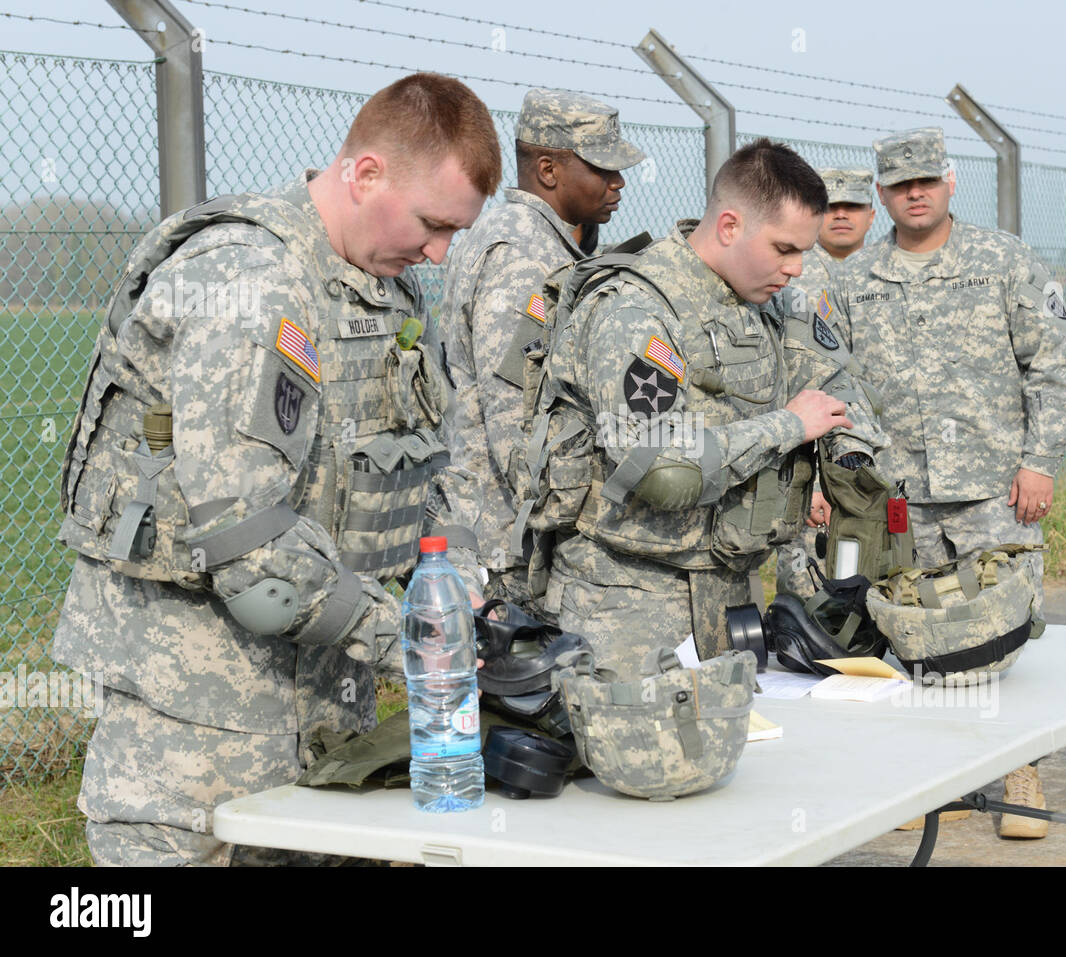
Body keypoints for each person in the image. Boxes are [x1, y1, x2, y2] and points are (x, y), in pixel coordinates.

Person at [50, 73, 501, 866]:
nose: (439, 252)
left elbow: (436, 472)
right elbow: (252, 552)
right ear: (365, 173)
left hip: (328, 729)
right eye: (433, 224)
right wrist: (419, 642)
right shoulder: (246, 278)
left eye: (454, 233)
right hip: (196, 753)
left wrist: (458, 589)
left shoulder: (388, 291)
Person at [533, 138, 887, 678]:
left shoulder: (768, 299)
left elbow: (836, 379)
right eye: (784, 249)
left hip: (731, 591)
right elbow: (660, 469)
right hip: (632, 603)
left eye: (802, 253)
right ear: (729, 226)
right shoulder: (637, 309)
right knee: (635, 755)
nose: (795, 269)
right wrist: (789, 426)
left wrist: (849, 455)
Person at [841, 127, 1066, 838]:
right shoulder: (856, 281)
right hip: (898, 496)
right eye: (899, 183)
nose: (914, 193)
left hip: (993, 488)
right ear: (882, 193)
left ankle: (1023, 774)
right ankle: (937, 776)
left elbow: (1056, 368)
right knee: (917, 637)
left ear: (951, 183)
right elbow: (837, 383)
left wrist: (1040, 460)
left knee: (1009, 630)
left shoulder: (1004, 261)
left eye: (926, 180)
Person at [440, 89, 643, 613]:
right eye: (603, 168)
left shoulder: (541, 242)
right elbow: (517, 417)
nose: (618, 182)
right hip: (508, 546)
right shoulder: (524, 255)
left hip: (512, 535)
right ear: (549, 170)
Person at [777, 167, 877, 599]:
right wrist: (820, 482)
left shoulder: (883, 276)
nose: (841, 216)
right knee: (815, 587)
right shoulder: (793, 277)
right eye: (831, 207)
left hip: (880, 458)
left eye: (852, 206)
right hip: (821, 461)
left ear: (871, 215)